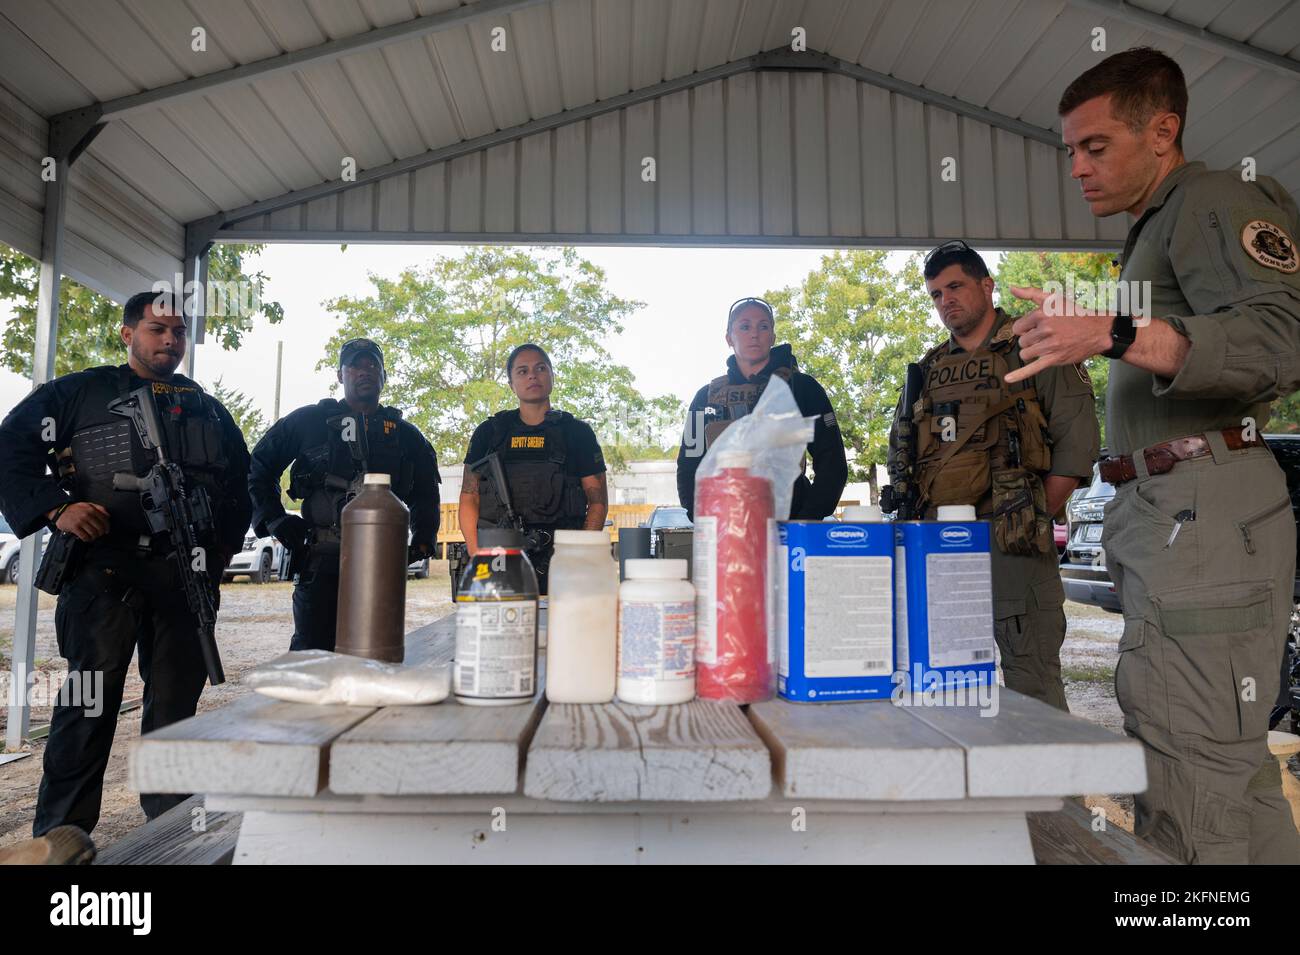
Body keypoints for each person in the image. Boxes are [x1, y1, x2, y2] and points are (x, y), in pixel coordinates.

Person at [1004, 47, 1300, 863]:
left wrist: (1111, 329)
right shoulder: (1158, 228)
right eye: (1070, 151)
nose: (1077, 168)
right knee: (1234, 774)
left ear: (1162, 130)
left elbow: (1282, 339)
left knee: (1185, 770)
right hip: (1179, 512)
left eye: (1094, 147)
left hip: (1197, 509)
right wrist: (1101, 323)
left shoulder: (1211, 199)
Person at [0, 291, 251, 836]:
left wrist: (219, 553)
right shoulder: (81, 392)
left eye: (179, 332)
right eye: (157, 330)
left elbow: (241, 485)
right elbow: (10, 446)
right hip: (103, 572)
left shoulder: (205, 406)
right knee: (88, 708)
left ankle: (169, 834)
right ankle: (63, 838)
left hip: (183, 578)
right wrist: (56, 507)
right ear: (127, 334)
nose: (170, 340)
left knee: (175, 715)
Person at [887, 242, 1099, 710]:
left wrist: (1031, 518)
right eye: (936, 294)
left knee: (1033, 684)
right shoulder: (926, 370)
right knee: (950, 689)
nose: (946, 301)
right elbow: (903, 451)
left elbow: (1077, 448)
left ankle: (1053, 786)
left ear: (987, 285)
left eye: (956, 287)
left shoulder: (1037, 347)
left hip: (1013, 544)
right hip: (942, 548)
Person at [248, 337, 441, 651]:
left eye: (372, 365)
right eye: (354, 365)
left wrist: (422, 539)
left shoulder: (406, 435)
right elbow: (259, 466)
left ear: (384, 375)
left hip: (381, 564)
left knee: (375, 652)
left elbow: (426, 492)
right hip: (320, 559)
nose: (364, 371)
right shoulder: (309, 421)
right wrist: (274, 520)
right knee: (312, 657)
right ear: (340, 375)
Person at [676, 297, 847, 520]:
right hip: (727, 529)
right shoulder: (706, 398)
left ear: (773, 337)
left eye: (763, 326)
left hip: (790, 525)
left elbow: (832, 462)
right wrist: (702, 515)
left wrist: (807, 517)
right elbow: (689, 465)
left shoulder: (803, 389)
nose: (754, 333)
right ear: (729, 338)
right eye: (745, 326)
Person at [459, 343, 608, 595]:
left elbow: (597, 501)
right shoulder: (489, 433)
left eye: (540, 368)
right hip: (498, 556)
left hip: (561, 559)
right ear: (511, 384)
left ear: (551, 375)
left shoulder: (577, 433)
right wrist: (477, 557)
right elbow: (468, 496)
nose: (532, 375)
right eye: (522, 371)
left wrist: (579, 556)